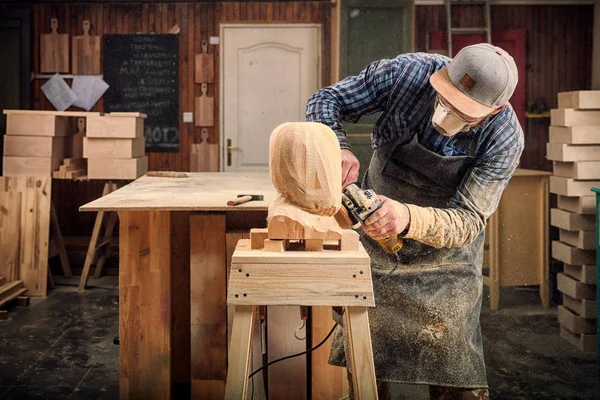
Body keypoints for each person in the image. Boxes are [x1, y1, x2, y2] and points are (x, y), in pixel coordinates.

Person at [305, 43, 524, 400]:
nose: (448, 113)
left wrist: (406, 217)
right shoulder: (404, 75)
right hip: (377, 247)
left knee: (455, 374)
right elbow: (325, 100)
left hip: (447, 263)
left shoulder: (504, 138)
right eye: (446, 99)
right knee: (368, 368)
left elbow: (468, 220)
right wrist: (337, 145)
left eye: (464, 112)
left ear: (494, 110)